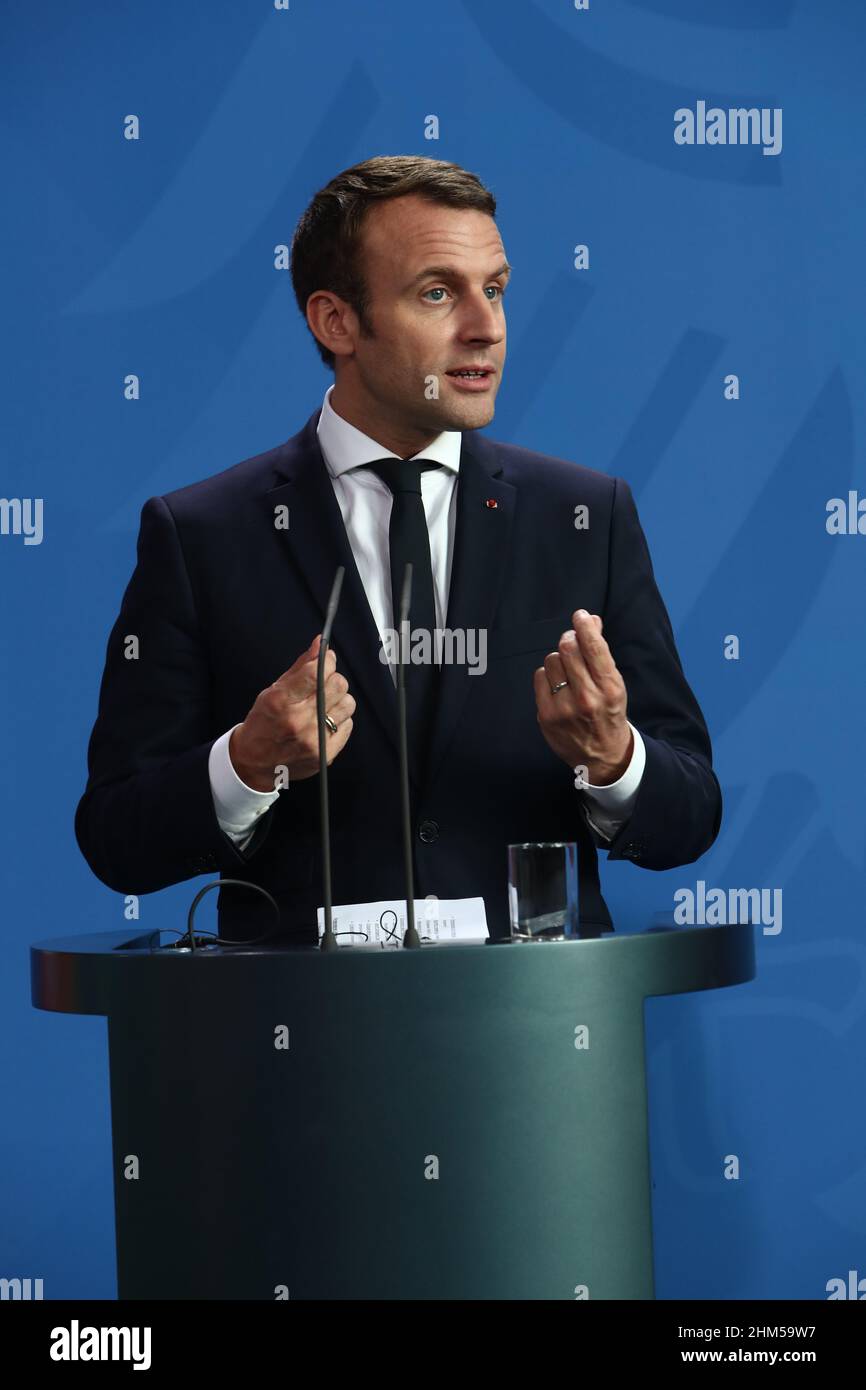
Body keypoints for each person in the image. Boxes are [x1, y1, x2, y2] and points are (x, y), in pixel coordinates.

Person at [75, 155, 722, 944]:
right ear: (336, 321)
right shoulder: (202, 535)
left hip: (539, 1042)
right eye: (438, 292)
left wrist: (614, 758)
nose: (485, 326)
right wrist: (246, 763)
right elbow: (115, 838)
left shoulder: (586, 517)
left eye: (496, 289)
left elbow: (691, 815)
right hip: (298, 1039)